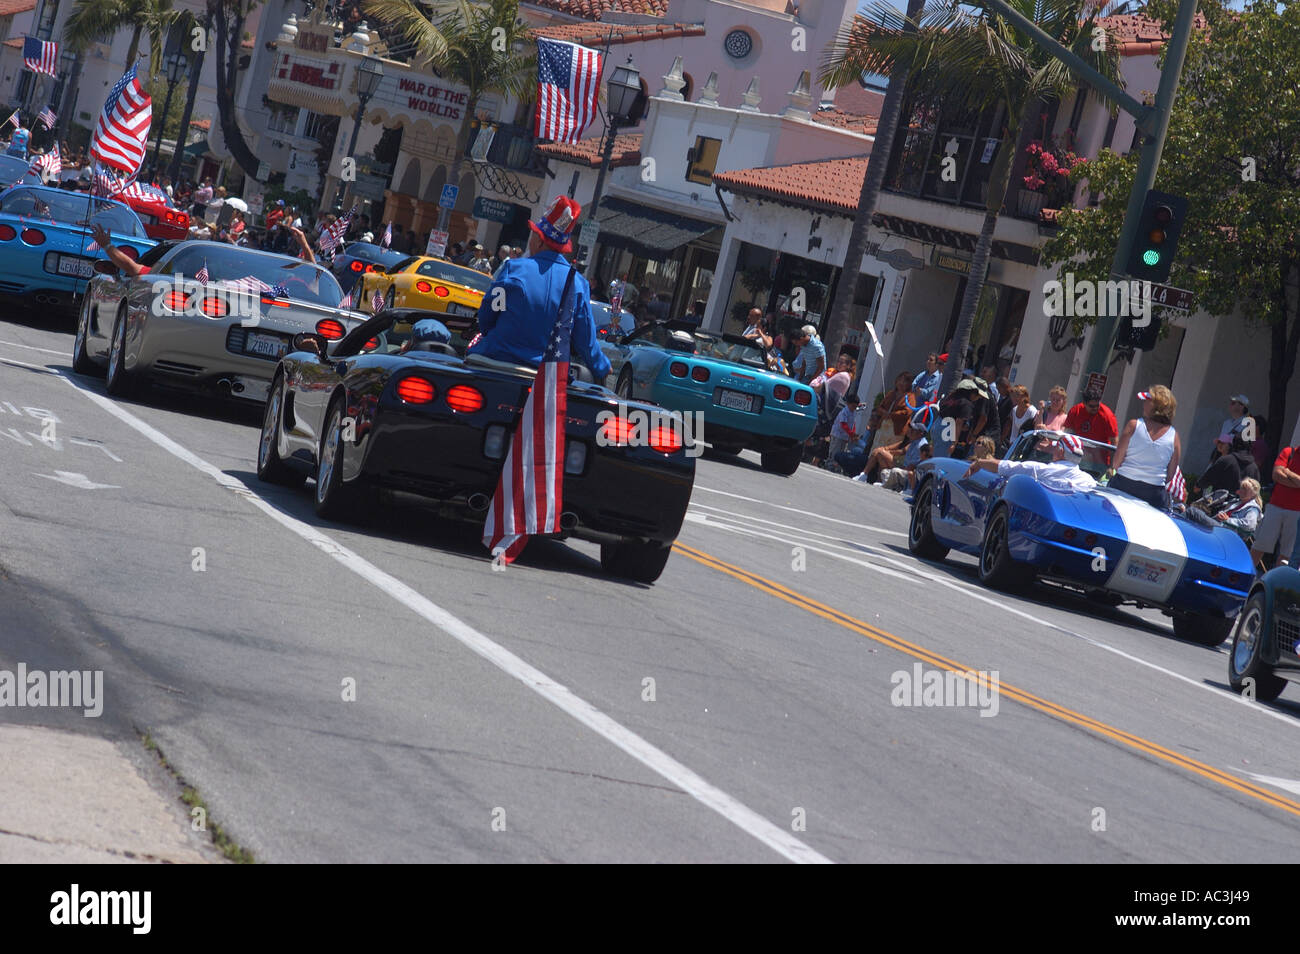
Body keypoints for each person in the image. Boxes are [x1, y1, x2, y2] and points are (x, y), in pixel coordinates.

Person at [468, 195, 610, 382]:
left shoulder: (513, 270)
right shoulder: (578, 284)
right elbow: (586, 341)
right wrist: (603, 367)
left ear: (540, 241)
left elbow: (489, 314)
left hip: (496, 360)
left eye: (534, 234)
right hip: (548, 377)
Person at [1106, 386, 1180, 508]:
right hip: (1154, 494)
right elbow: (1171, 475)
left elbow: (1116, 463)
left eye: (1147, 401)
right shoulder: (1174, 436)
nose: (1143, 404)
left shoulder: (1133, 426)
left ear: (1155, 406)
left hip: (1123, 485)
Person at [965, 433, 1096, 492]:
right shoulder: (1088, 481)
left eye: (1056, 447)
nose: (1053, 449)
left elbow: (1004, 467)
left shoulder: (1039, 469)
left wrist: (980, 462)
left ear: (1061, 451)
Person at [1251, 444, 1300, 570]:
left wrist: (1288, 472)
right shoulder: (1289, 452)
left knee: (1286, 555)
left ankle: (1278, 584)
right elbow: (1276, 475)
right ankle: (1246, 574)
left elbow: (1282, 474)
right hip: (1275, 506)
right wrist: (1297, 482)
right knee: (1259, 545)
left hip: (1296, 512)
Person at [856, 418, 929, 487]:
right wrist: (886, 450)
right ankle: (874, 478)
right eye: (911, 429)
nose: (910, 431)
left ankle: (865, 475)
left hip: (908, 472)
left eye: (913, 430)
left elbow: (911, 467)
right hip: (902, 466)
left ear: (920, 434)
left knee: (880, 453)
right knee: (880, 455)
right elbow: (902, 451)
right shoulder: (914, 442)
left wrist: (885, 452)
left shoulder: (921, 446)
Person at [1194, 432, 1260, 496]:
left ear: (1234, 444)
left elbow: (1209, 476)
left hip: (1222, 503)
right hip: (1242, 504)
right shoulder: (1254, 467)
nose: (1220, 445)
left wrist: (1198, 485)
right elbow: (1256, 489)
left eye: (1223, 443)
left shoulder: (1226, 460)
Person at [1063, 387, 1119, 462]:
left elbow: (1114, 441)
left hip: (1099, 460)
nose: (1095, 408)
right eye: (1091, 406)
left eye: (1097, 405)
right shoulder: (1076, 411)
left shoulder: (1108, 415)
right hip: (1077, 456)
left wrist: (1112, 466)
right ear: (1084, 403)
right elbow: (1068, 434)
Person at [1214, 478, 1262, 543]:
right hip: (1220, 529)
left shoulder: (1253, 509)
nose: (1241, 490)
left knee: (1197, 515)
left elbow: (1249, 525)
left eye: (1245, 489)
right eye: (1241, 488)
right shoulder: (1237, 502)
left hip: (1231, 537)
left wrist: (1228, 520)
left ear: (1253, 493)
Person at [827, 391, 867, 466]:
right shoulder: (844, 412)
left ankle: (837, 464)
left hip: (845, 436)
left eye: (855, 407)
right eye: (853, 406)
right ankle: (830, 463)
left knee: (842, 451)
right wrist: (851, 434)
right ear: (848, 403)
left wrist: (853, 433)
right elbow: (843, 424)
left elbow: (853, 424)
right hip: (837, 434)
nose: (854, 408)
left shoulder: (853, 412)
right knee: (835, 449)